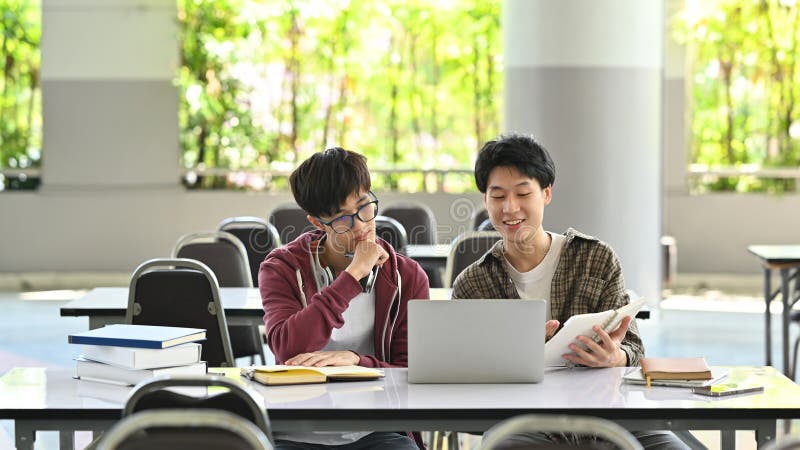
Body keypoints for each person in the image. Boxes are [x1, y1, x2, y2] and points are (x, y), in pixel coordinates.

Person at [452, 133, 689, 450]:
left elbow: (632, 347)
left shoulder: (596, 258)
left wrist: (614, 357)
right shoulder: (473, 284)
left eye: (523, 193)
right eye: (497, 197)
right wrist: (518, 357)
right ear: (485, 201)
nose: (510, 208)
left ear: (546, 193)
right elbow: (463, 372)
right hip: (522, 421)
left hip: (609, 416)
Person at [258, 147, 428, 450]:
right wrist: (352, 277)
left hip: (378, 430)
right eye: (342, 218)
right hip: (295, 430)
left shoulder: (407, 277)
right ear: (317, 222)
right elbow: (286, 349)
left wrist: (356, 362)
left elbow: (411, 370)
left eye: (364, 207)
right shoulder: (281, 268)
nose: (361, 225)